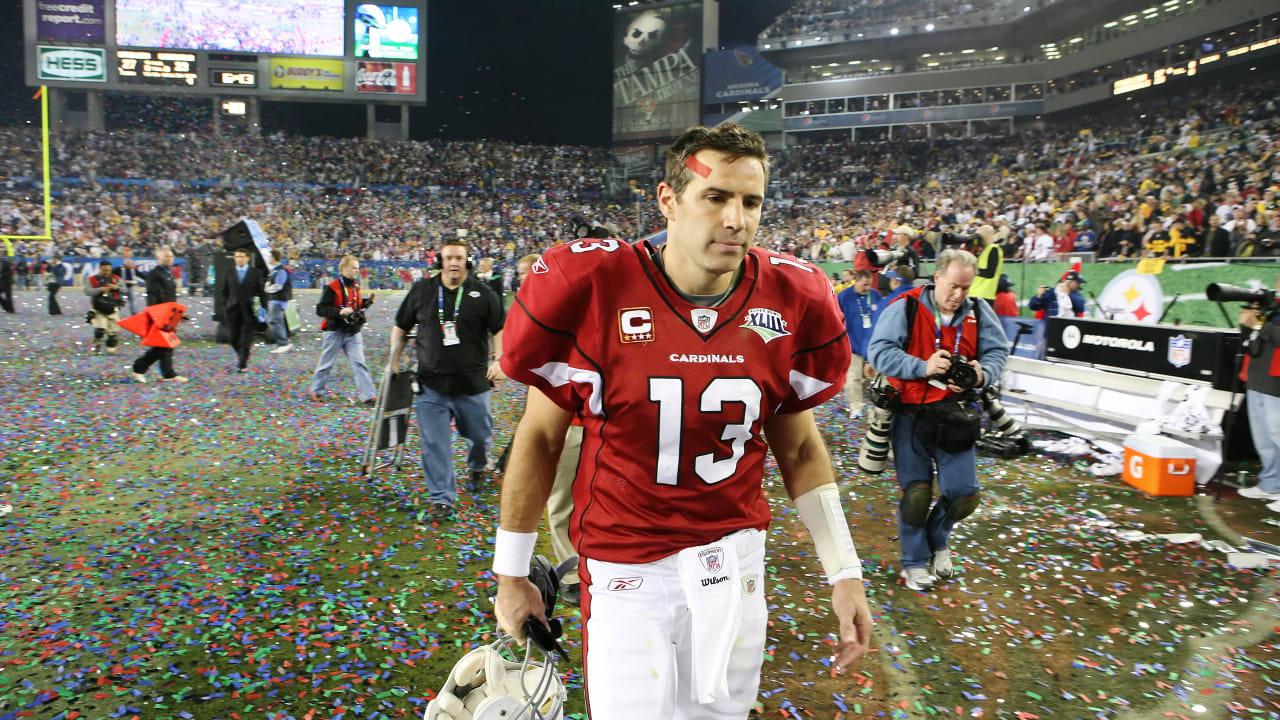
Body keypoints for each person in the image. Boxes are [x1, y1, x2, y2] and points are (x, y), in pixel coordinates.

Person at [493, 123, 873, 717]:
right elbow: (540, 437)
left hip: (734, 557)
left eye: (751, 202)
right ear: (669, 201)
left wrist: (844, 571)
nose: (736, 219)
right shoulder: (597, 288)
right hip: (625, 561)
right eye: (715, 196)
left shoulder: (791, 297)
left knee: (722, 712)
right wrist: (511, 573)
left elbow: (798, 449)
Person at [867, 249, 1009, 591]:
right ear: (937, 279)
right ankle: (914, 563)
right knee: (916, 495)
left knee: (964, 494)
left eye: (966, 288)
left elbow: (997, 353)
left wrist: (982, 373)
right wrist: (922, 367)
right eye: (953, 286)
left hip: (956, 415)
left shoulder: (979, 312)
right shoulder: (906, 306)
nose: (958, 295)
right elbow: (879, 352)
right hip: (910, 415)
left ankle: (938, 541)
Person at [389, 239, 506, 522]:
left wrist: (500, 360)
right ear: (440, 260)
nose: (454, 263)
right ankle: (442, 499)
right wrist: (394, 358)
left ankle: (477, 465)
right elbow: (401, 326)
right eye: (449, 257)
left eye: (459, 258)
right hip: (431, 385)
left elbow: (499, 328)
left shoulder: (483, 292)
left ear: (467, 261)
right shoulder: (422, 291)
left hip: (473, 383)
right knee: (434, 443)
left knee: (479, 436)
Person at [307, 255, 377, 403]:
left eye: (358, 268)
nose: (357, 271)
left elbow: (355, 307)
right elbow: (321, 309)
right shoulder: (332, 287)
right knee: (326, 363)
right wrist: (339, 312)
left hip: (353, 331)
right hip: (335, 331)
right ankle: (316, 390)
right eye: (353, 268)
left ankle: (368, 396)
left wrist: (367, 302)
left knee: (359, 363)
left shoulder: (355, 286)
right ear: (343, 268)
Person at [1236, 280, 1280, 507]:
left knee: (1278, 436)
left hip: (1277, 381)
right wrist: (1248, 323)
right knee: (1263, 439)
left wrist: (1259, 325)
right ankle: (1270, 484)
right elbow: (1251, 343)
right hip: (1257, 378)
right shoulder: (1271, 305)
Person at [131, 247, 188, 383]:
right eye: (165, 256)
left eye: (170, 256)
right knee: (161, 346)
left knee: (168, 345)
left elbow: (170, 297)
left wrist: (178, 314)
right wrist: (155, 315)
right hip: (160, 315)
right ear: (158, 258)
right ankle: (139, 368)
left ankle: (168, 373)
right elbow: (152, 297)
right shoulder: (154, 274)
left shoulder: (168, 273)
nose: (169, 258)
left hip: (170, 314)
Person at [837, 269, 882, 418]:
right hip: (852, 345)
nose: (868, 288)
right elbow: (836, 317)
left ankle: (858, 399)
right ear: (856, 281)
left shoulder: (875, 295)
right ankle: (855, 406)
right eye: (864, 285)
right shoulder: (844, 296)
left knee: (866, 378)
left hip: (871, 346)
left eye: (869, 284)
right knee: (852, 377)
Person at [215, 248, 268, 373]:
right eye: (237, 256)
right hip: (232, 310)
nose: (239, 259)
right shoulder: (229, 272)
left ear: (247, 258)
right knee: (233, 338)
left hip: (249, 310)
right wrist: (224, 306)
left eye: (241, 256)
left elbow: (261, 292)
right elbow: (224, 291)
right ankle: (241, 355)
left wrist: (264, 307)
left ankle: (243, 362)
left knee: (246, 338)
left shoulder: (255, 273)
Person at [84, 261, 124, 353]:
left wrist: (117, 288)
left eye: (109, 270)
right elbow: (87, 291)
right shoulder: (92, 279)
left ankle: (110, 348)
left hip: (113, 308)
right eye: (105, 270)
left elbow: (125, 289)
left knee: (113, 334)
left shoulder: (116, 279)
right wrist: (100, 289)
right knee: (100, 330)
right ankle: (96, 343)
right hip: (98, 308)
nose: (107, 272)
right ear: (100, 269)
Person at [265, 249, 294, 354]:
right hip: (274, 299)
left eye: (269, 256)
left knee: (273, 320)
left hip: (278, 299)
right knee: (278, 321)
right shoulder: (274, 270)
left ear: (273, 257)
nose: (268, 258)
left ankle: (283, 343)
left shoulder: (281, 270)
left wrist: (268, 289)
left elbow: (278, 286)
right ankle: (283, 343)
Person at [968, 224, 1003, 302]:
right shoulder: (983, 250)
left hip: (984, 295)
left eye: (979, 235)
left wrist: (973, 270)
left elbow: (990, 273)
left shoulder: (993, 249)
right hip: (974, 293)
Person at [118, 248, 141, 316]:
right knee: (119, 300)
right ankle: (116, 311)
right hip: (121, 287)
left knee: (133, 300)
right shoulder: (120, 269)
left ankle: (134, 313)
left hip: (130, 287)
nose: (132, 265)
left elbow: (141, 275)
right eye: (130, 264)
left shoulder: (133, 270)